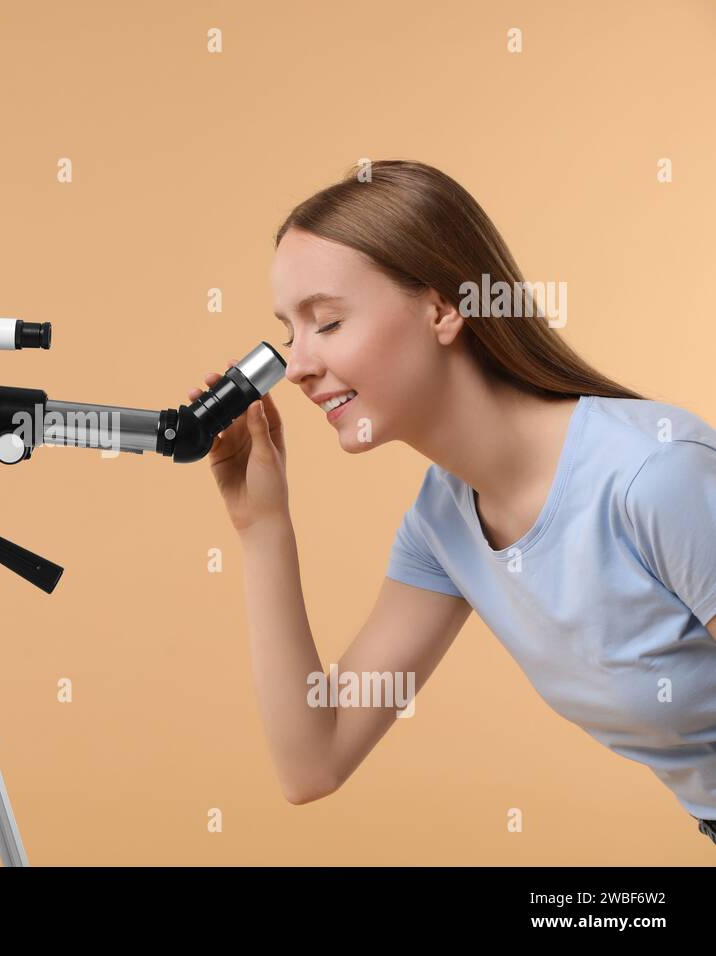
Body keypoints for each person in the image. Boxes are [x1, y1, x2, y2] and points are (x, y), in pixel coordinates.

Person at [193, 160, 716, 847]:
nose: (297, 366)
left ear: (443, 309)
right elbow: (312, 761)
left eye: (326, 321)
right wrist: (261, 527)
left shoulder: (654, 476)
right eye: (290, 332)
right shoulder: (443, 523)